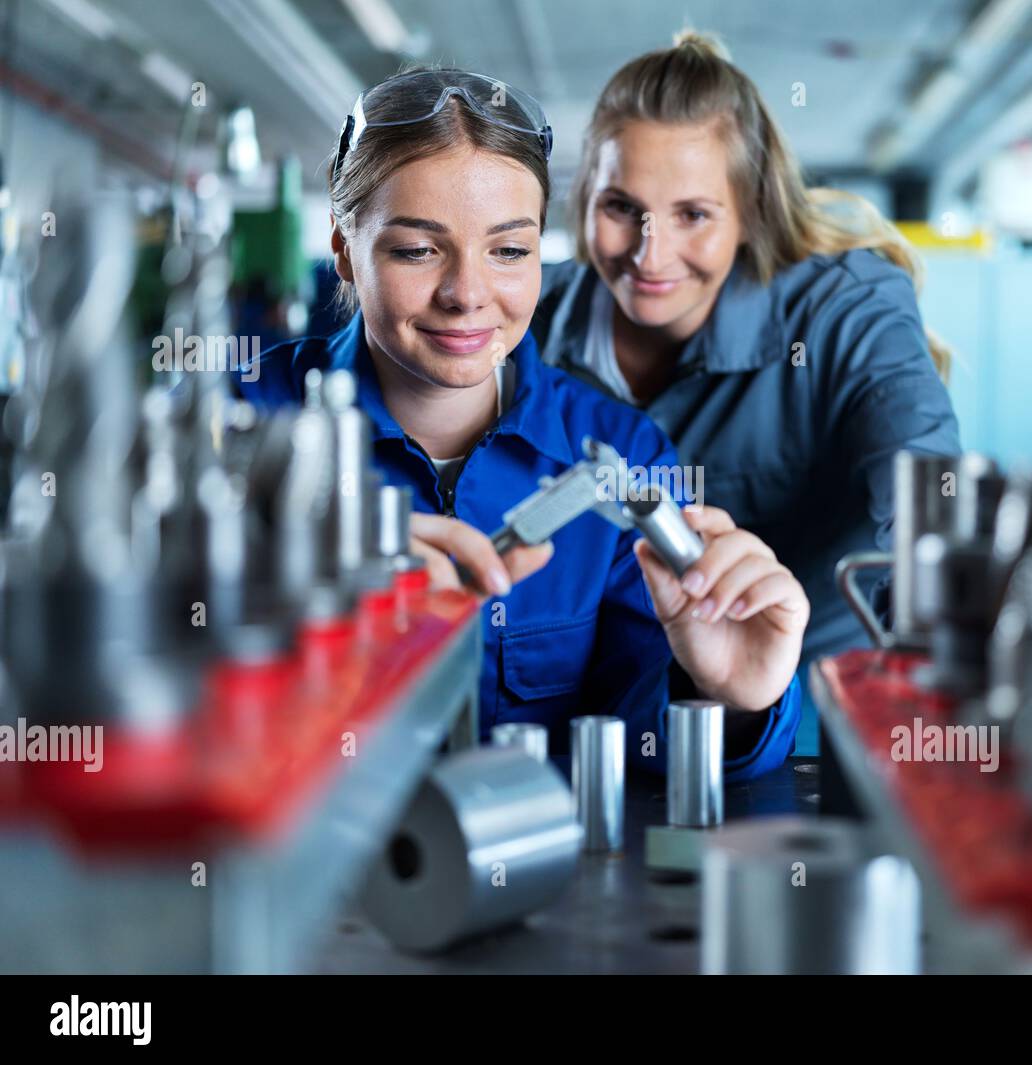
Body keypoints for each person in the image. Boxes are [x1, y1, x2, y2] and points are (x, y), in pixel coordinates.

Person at [237, 68, 808, 779]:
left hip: (540, 877)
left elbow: (644, 758)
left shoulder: (623, 459)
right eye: (417, 249)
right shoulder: (236, 425)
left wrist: (730, 696)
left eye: (509, 250)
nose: (468, 294)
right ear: (346, 248)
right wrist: (289, 590)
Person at [530, 32, 962, 752]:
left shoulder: (843, 312)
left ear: (750, 211)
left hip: (822, 735)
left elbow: (927, 496)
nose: (650, 253)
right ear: (582, 201)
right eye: (620, 207)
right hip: (622, 729)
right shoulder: (531, 333)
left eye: (692, 214)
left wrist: (933, 617)